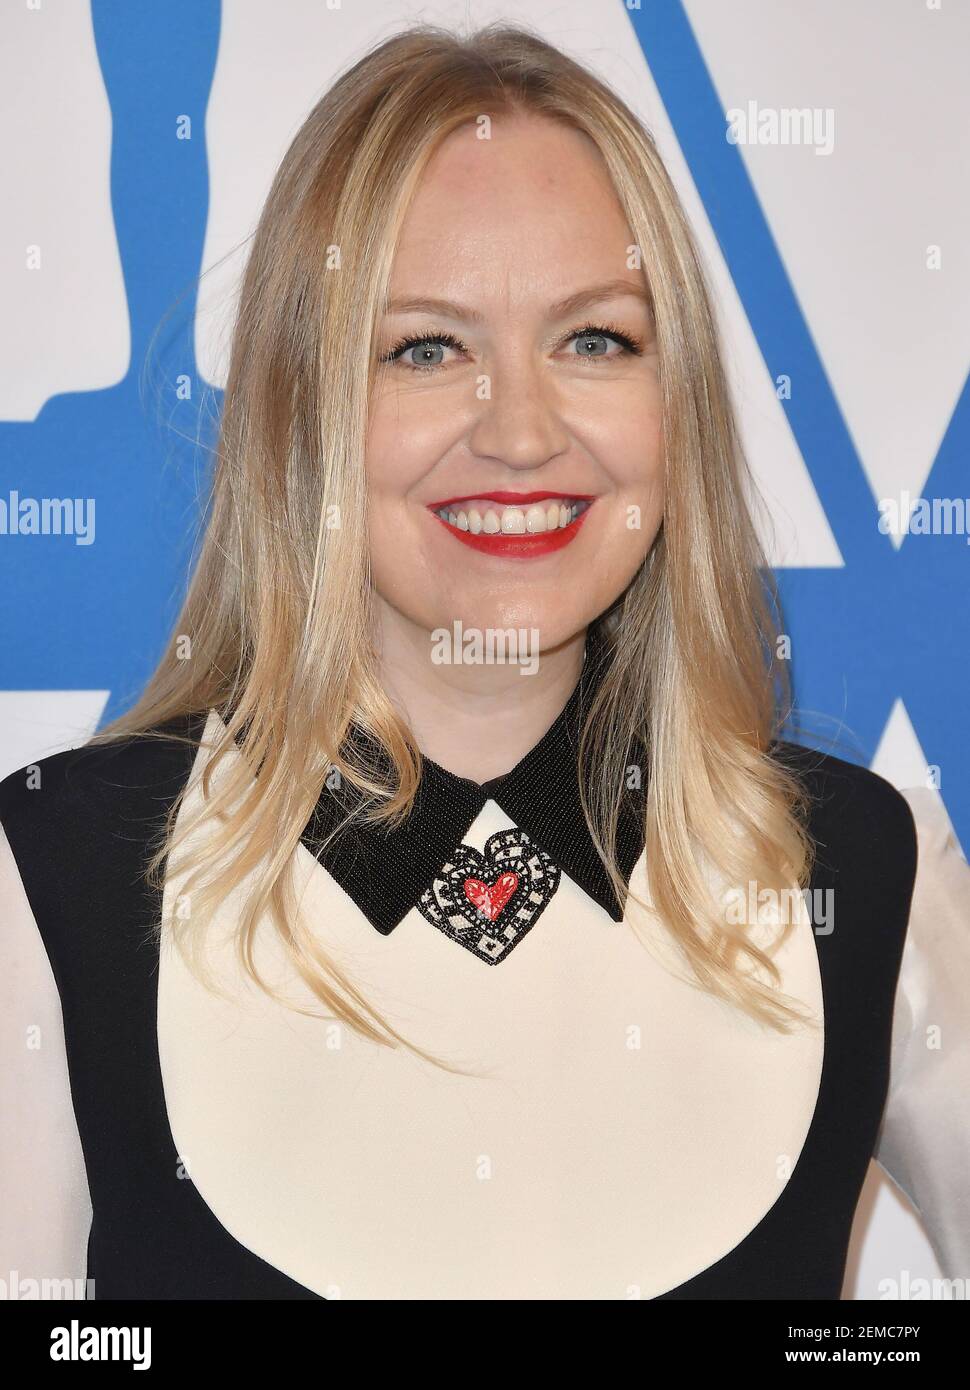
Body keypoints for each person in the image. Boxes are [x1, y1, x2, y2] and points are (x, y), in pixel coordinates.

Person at [1, 22, 968, 1302]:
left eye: (595, 340)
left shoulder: (873, 866)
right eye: (424, 348)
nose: (519, 431)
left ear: (675, 399)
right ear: (302, 412)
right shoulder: (49, 882)